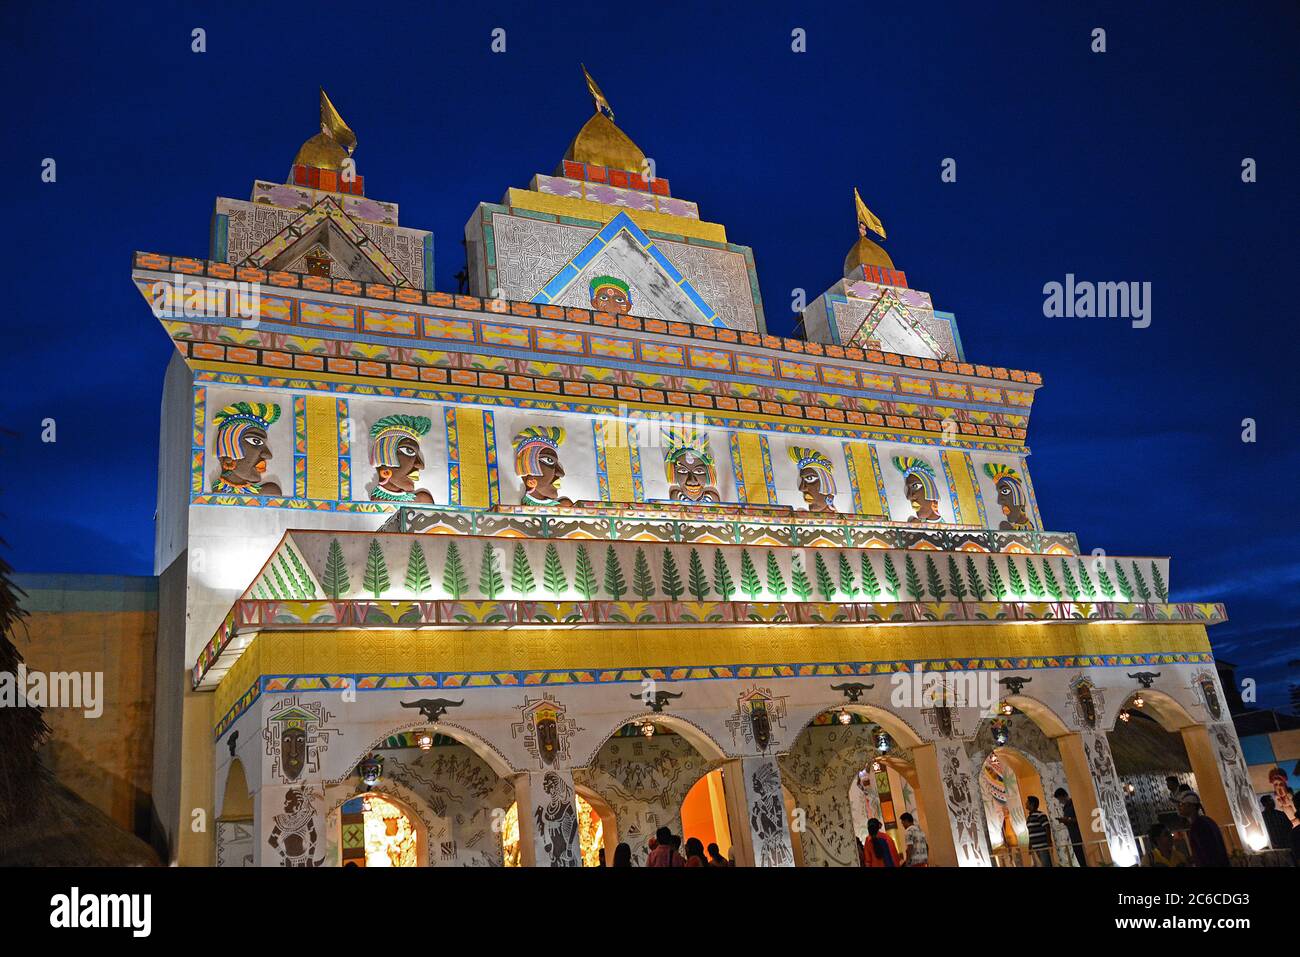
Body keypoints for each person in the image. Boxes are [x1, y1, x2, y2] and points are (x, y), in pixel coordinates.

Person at [1178, 790, 1229, 867]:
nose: (1179, 807)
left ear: (1190, 806)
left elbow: (1208, 853)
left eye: (1182, 804)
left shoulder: (1198, 826)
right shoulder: (1207, 821)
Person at [1053, 788, 1086, 867]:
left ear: (1064, 796)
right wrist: (1064, 821)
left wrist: (1068, 819)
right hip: (1073, 837)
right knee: (1080, 859)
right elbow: (1069, 821)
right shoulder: (1065, 807)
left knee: (1085, 858)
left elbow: (1081, 819)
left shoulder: (1073, 803)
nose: (1060, 801)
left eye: (1060, 799)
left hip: (1080, 835)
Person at [1025, 796, 1053, 867]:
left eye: (1027, 802)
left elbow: (1047, 828)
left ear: (1032, 804)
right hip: (1035, 847)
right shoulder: (1028, 818)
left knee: (1047, 864)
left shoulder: (1040, 815)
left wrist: (1049, 842)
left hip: (1043, 846)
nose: (1026, 803)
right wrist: (1030, 845)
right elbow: (1030, 832)